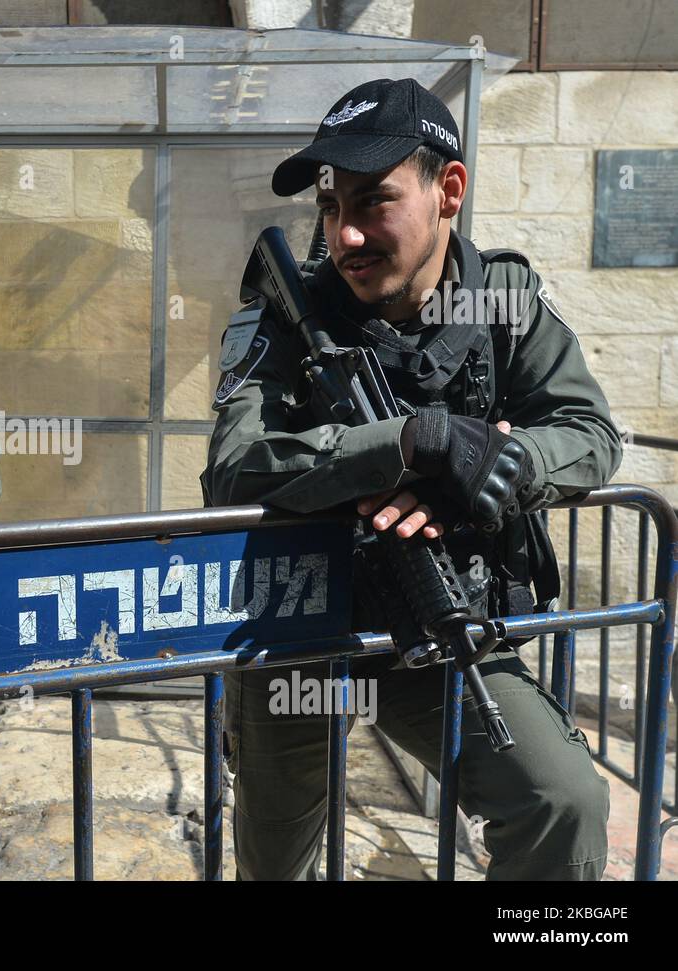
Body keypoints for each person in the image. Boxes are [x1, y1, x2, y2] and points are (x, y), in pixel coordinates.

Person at [201, 78, 621, 880]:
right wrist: (409, 441)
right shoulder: (286, 310)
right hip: (299, 629)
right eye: (330, 208)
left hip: (440, 618)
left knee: (561, 802)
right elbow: (233, 466)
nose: (345, 235)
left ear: (448, 189)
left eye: (373, 202)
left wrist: (504, 464)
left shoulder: (503, 300)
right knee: (274, 858)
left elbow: (591, 433)